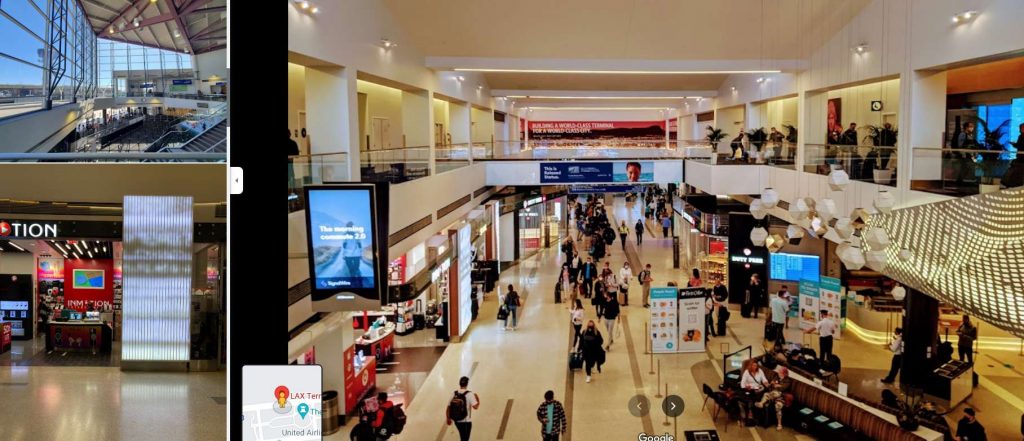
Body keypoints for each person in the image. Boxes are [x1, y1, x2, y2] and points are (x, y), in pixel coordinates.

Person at [756, 366, 792, 430]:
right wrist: (773, 384)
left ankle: (779, 424)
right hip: (773, 395)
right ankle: (761, 404)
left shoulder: (787, 380)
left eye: (780, 372)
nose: (778, 372)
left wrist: (776, 385)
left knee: (778, 405)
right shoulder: (776, 377)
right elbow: (771, 386)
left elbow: (783, 388)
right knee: (766, 393)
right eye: (779, 371)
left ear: (784, 373)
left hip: (782, 397)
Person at [446, 376, 480, 441]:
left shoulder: (454, 393)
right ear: (467, 384)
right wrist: (478, 399)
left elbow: (448, 407)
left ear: (460, 384)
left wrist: (448, 418)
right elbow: (476, 407)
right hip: (466, 421)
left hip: (457, 421)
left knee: (463, 438)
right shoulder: (470, 394)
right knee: (465, 439)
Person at [738, 359, 769, 425]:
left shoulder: (760, 371)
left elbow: (764, 379)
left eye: (756, 365)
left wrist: (766, 382)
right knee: (749, 399)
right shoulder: (747, 372)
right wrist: (747, 386)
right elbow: (742, 383)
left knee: (756, 396)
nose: (755, 367)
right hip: (749, 389)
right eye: (753, 365)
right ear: (750, 366)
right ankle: (748, 415)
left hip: (757, 390)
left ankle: (751, 416)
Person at [342, 221, 365, 287]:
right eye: (349, 226)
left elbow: (359, 244)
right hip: (348, 255)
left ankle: (359, 282)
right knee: (351, 269)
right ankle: (354, 282)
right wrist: (343, 255)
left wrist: (360, 254)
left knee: (356, 268)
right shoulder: (345, 234)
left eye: (351, 226)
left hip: (355, 254)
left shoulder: (356, 234)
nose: (350, 227)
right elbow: (344, 245)